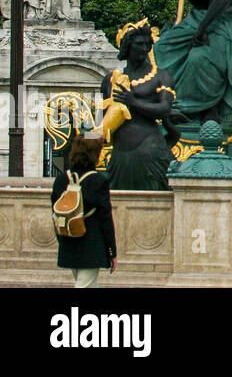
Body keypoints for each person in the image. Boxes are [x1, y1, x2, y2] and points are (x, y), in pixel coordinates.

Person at [101, 20, 177, 190]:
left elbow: (165, 109)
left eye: (147, 44)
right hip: (120, 153)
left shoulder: (161, 76)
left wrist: (133, 102)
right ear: (127, 46)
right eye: (139, 44)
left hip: (151, 149)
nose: (144, 48)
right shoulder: (110, 80)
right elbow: (101, 120)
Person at [51, 133, 116, 287]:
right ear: (95, 154)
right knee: (85, 285)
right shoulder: (98, 180)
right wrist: (112, 251)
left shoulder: (61, 179)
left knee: (88, 284)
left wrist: (62, 241)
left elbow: (55, 213)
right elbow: (105, 219)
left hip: (69, 241)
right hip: (92, 245)